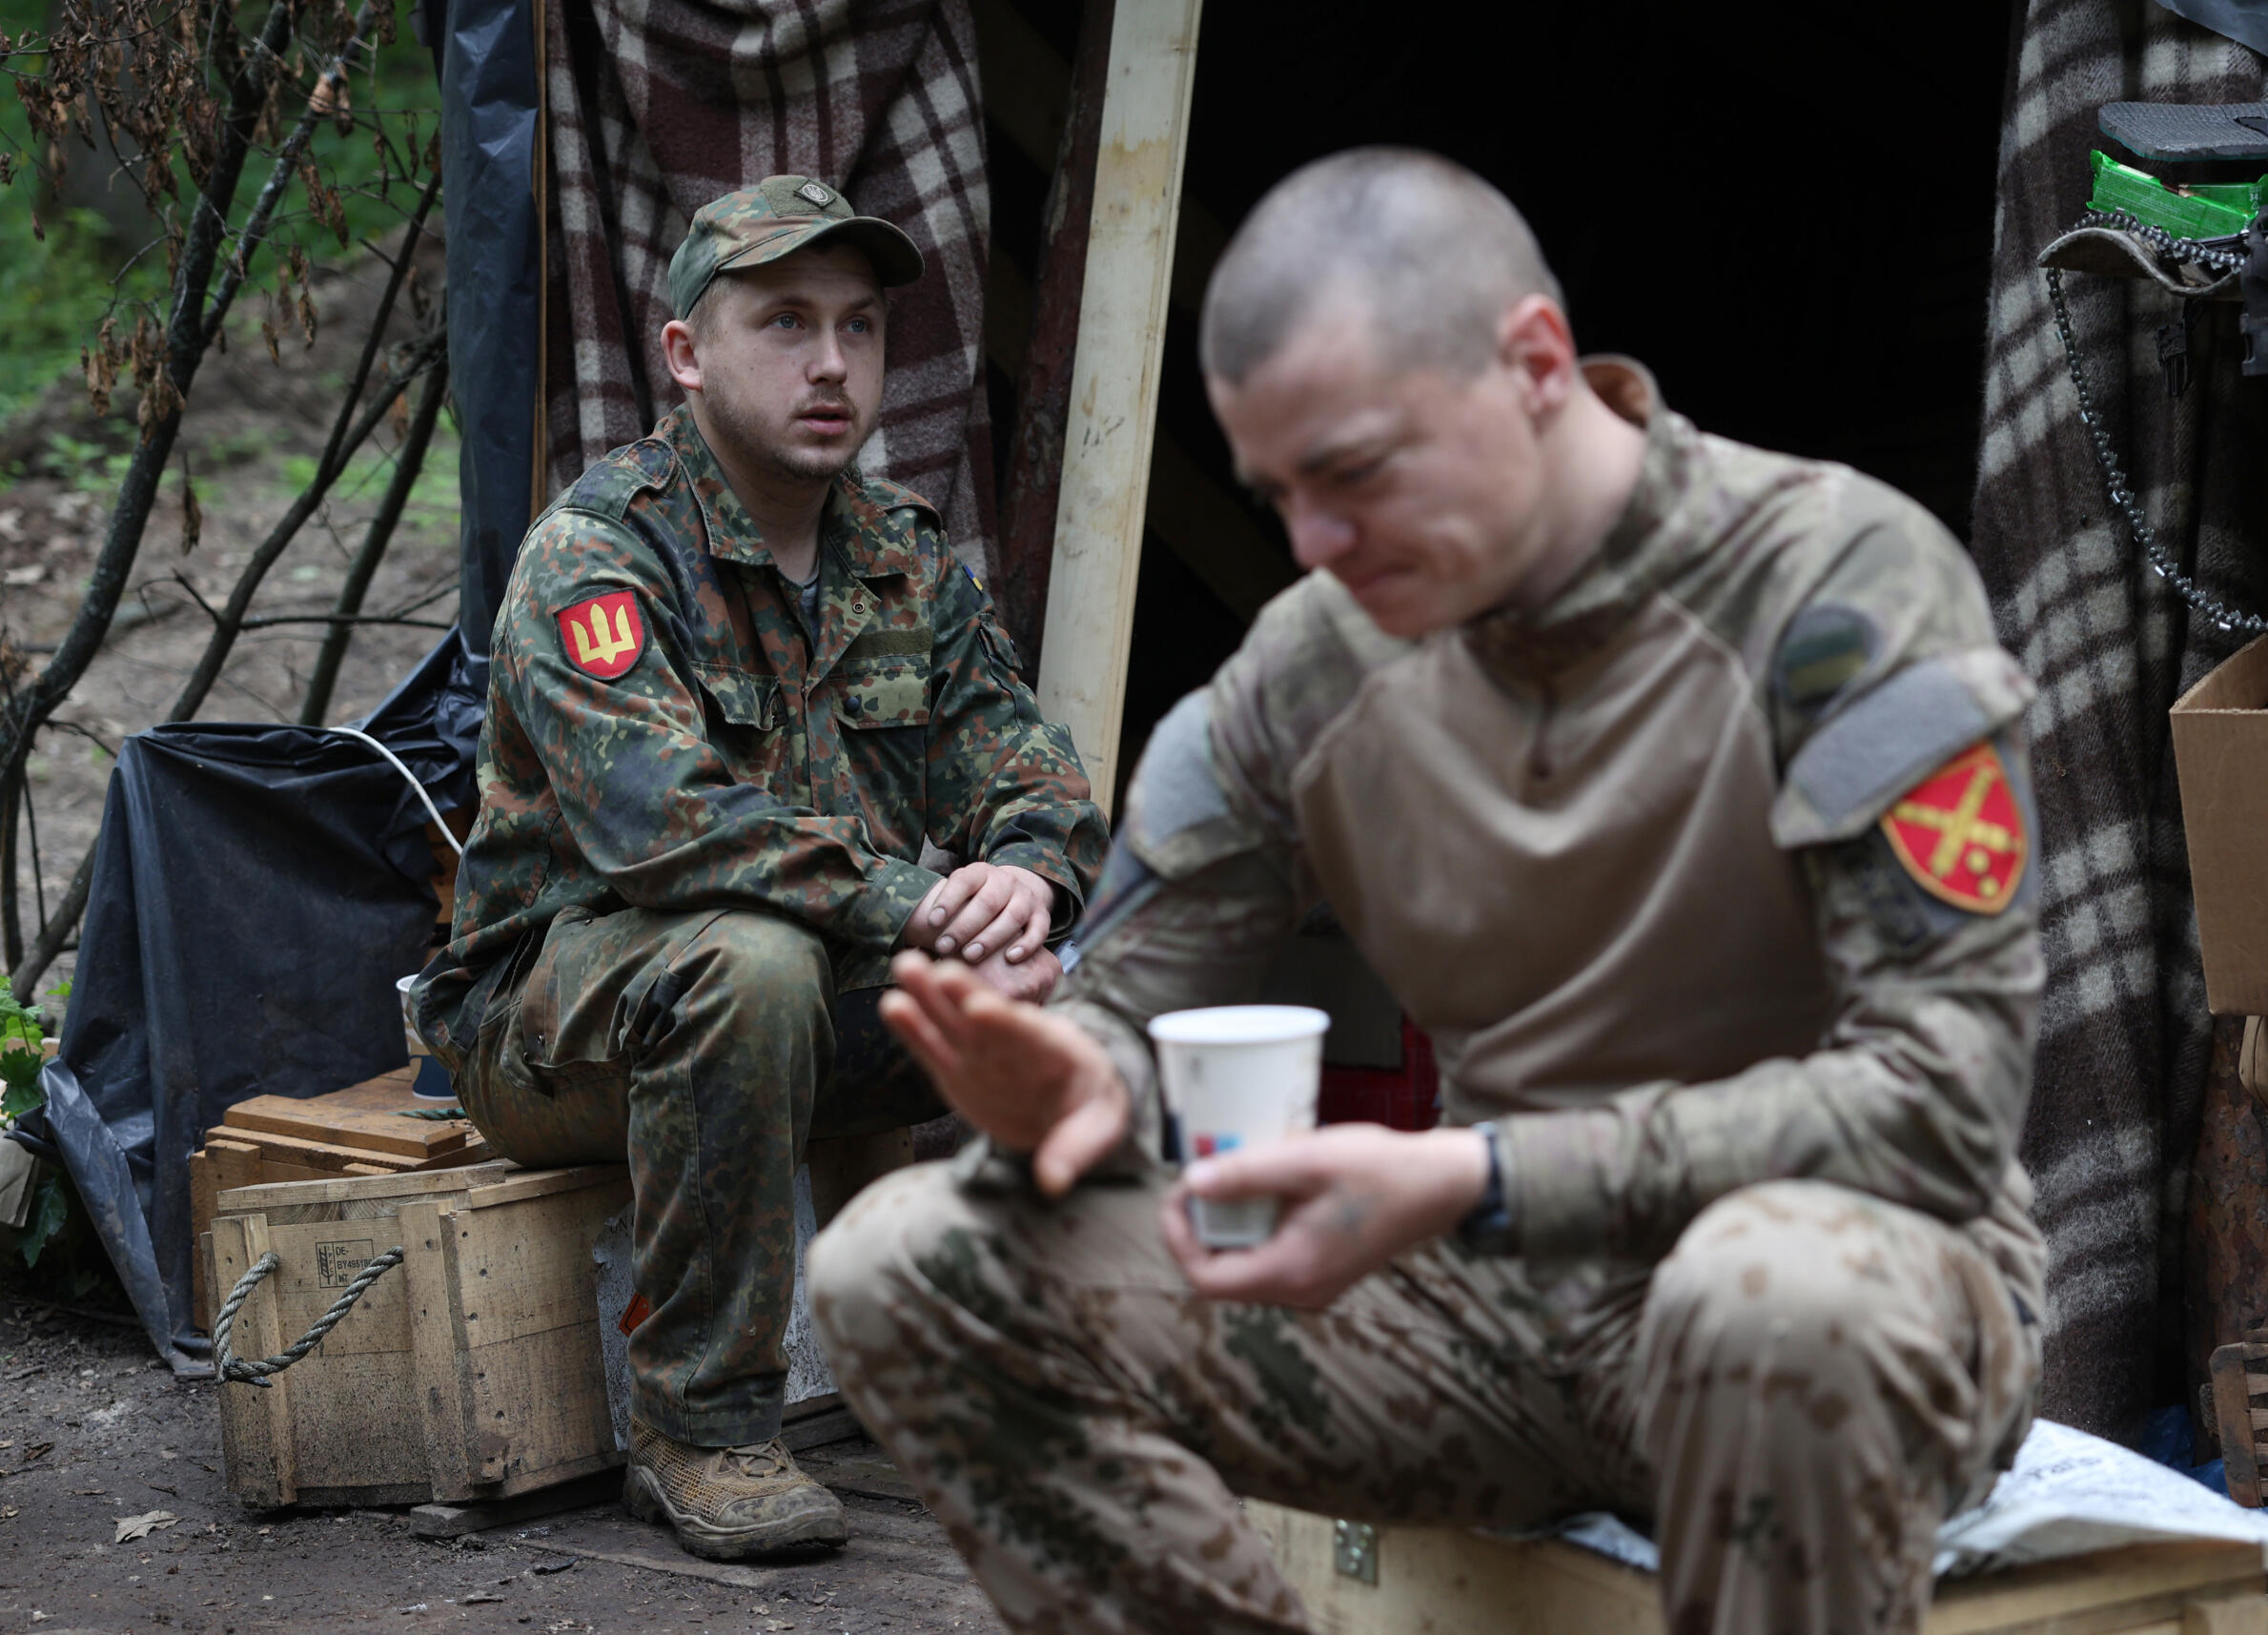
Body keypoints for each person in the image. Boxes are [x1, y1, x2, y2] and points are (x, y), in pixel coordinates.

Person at [807, 148, 2048, 1635]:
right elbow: (1128, 1003)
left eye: (1354, 473)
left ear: (1536, 363)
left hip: (1847, 1299)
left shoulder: (1839, 590)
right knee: (902, 1261)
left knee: (1767, 1294)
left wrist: (1479, 1177)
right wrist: (1081, 1082)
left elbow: (1944, 1098)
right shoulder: (1309, 667)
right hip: (1497, 1327)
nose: (1312, 545)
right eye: (1278, 494)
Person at [412, 174, 1107, 1562]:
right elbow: (667, 825)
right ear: (687, 353)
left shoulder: (901, 557)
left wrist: (1026, 884)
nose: (831, 364)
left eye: (859, 327)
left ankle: (1037, 1371)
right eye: (785, 323)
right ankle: (702, 1430)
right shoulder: (599, 556)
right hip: (555, 1022)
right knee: (752, 962)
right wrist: (919, 907)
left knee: (1092, 987)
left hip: (808, 993)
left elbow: (1032, 771)